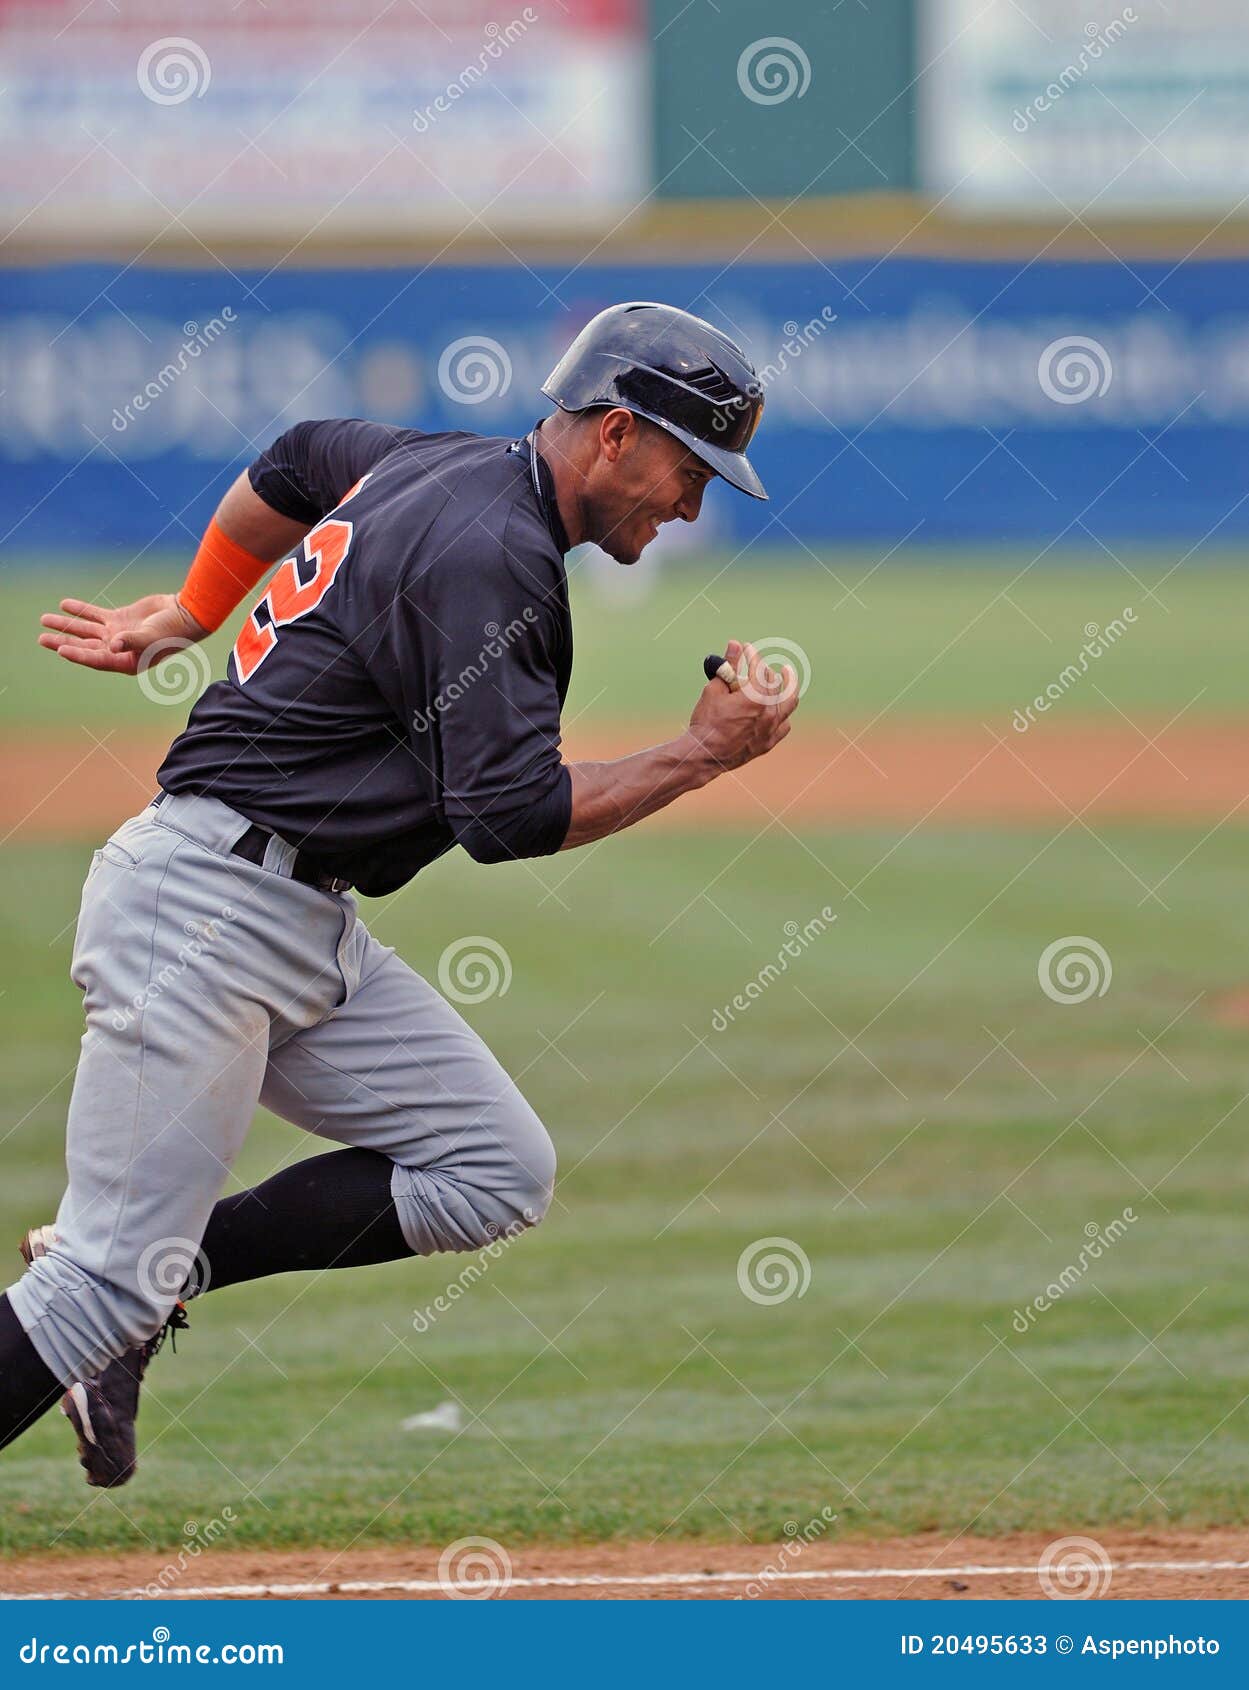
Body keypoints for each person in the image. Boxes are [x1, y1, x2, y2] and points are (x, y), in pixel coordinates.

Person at [5, 301, 798, 1487]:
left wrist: (194, 609)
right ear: (619, 433)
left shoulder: (433, 461)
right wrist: (703, 754)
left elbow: (297, 454)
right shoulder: (498, 558)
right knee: (92, 1292)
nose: (691, 505)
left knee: (492, 1171)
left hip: (296, 918)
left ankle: (158, 1266)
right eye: (691, 470)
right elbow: (508, 817)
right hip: (206, 916)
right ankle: (123, 1279)